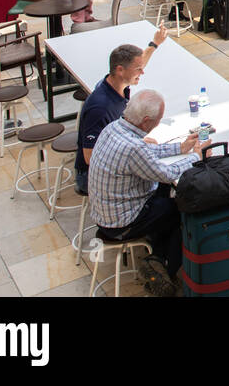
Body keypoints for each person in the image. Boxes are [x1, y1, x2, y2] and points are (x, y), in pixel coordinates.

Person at [88, 89, 203, 296]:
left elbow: (145, 153)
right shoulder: (133, 148)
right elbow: (166, 173)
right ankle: (164, 267)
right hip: (120, 223)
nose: (159, 123)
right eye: (159, 120)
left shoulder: (114, 128)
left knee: (165, 195)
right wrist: (196, 157)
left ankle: (158, 252)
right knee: (182, 210)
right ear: (147, 121)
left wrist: (180, 148)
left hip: (103, 213)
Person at [76, 26, 169, 193]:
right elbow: (90, 157)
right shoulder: (101, 108)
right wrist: (133, 146)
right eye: (138, 70)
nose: (142, 72)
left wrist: (155, 44)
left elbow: (139, 63)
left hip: (113, 155)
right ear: (120, 70)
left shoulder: (117, 84)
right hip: (90, 176)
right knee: (157, 181)